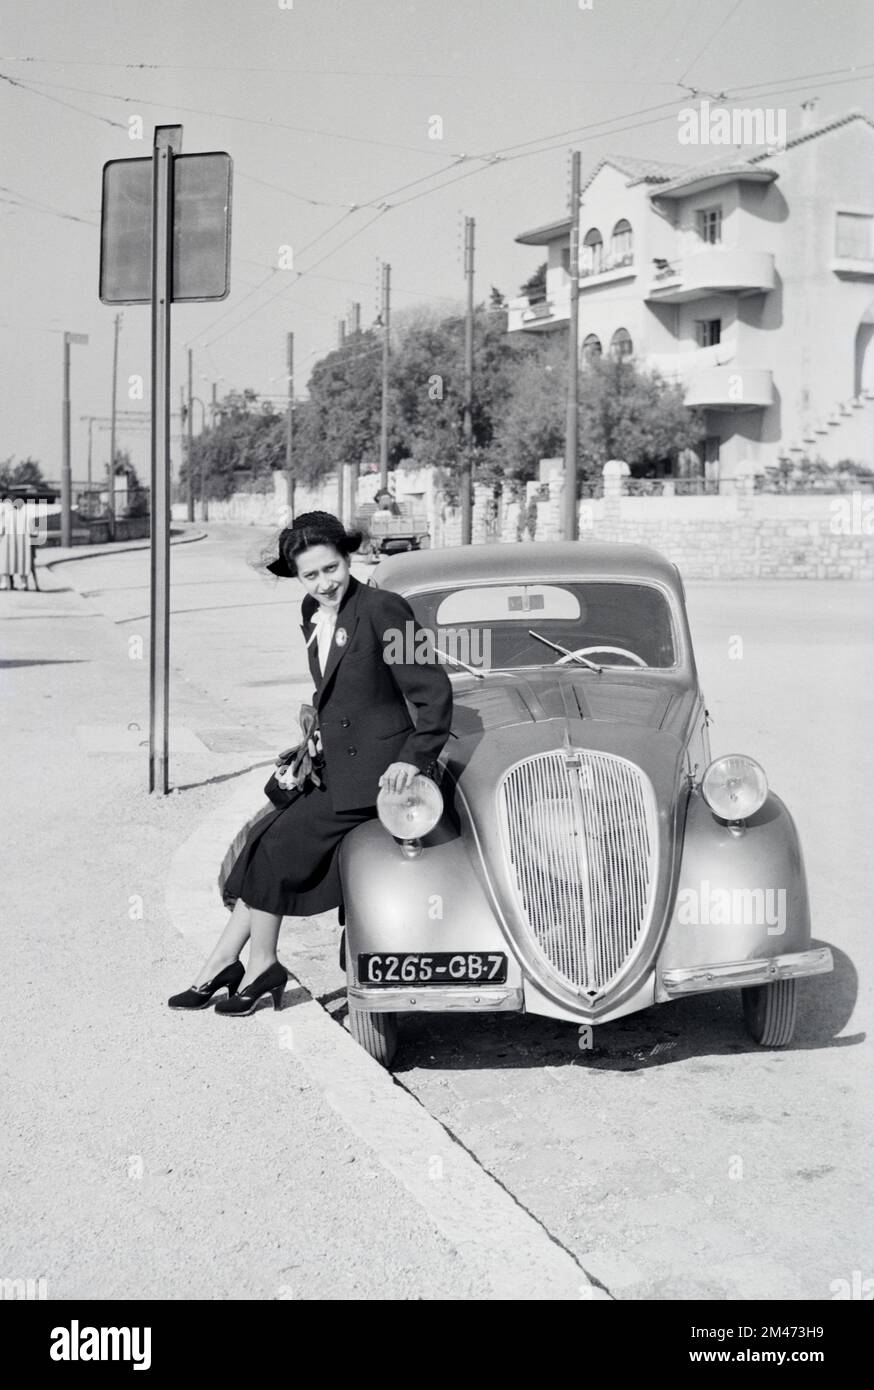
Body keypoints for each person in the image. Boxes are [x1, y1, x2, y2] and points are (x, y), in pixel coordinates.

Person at [168, 510, 453, 1017]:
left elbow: (433, 693)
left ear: (349, 559)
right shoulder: (311, 610)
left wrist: (413, 759)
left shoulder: (386, 609)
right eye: (311, 575)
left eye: (331, 569)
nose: (324, 583)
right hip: (335, 768)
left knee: (276, 845)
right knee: (261, 839)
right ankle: (225, 962)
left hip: (381, 776)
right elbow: (336, 687)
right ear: (297, 578)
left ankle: (256, 965)